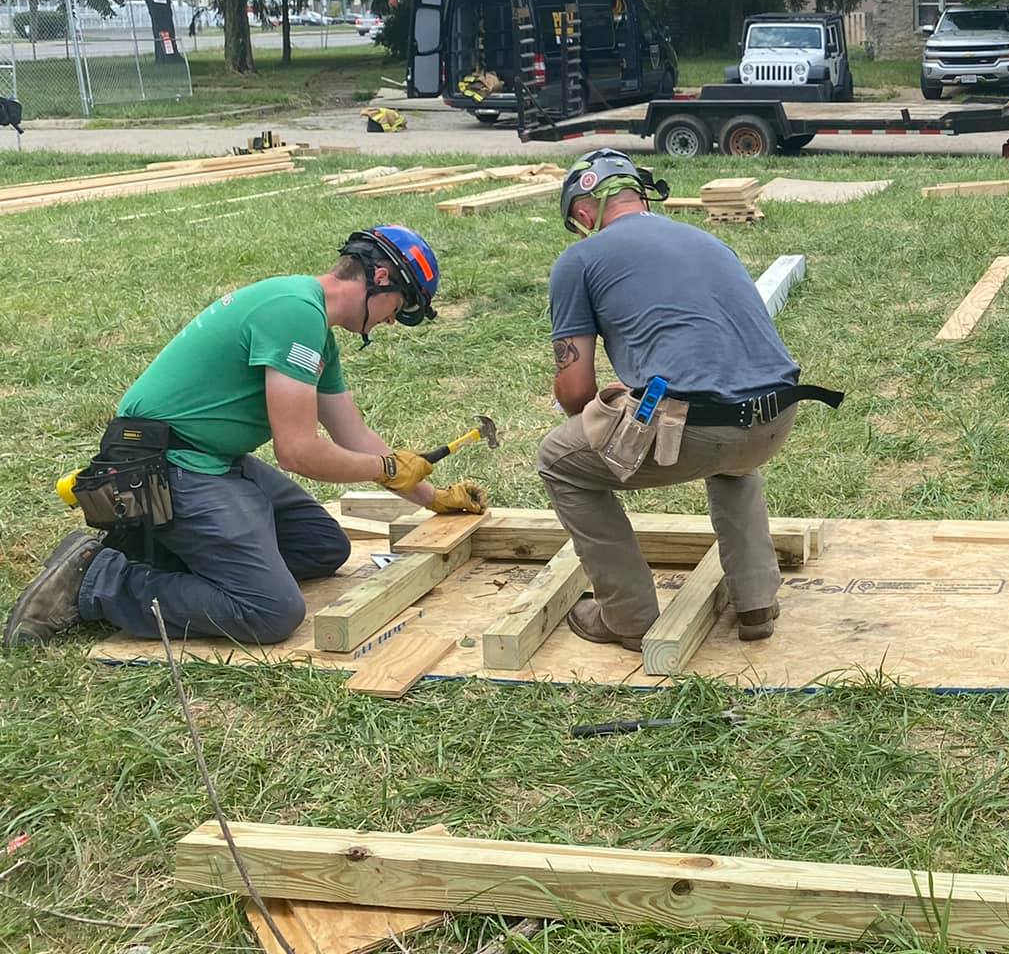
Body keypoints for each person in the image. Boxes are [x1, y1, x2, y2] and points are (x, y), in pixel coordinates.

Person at [4, 226, 477, 648]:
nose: (394, 320)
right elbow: (298, 452)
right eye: (402, 306)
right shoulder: (294, 312)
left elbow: (351, 433)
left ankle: (156, 551)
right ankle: (98, 579)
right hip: (167, 463)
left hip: (208, 458)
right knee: (270, 610)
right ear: (381, 278)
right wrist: (386, 467)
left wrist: (432, 497)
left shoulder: (311, 324)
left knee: (321, 547)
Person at [539, 151, 840, 650]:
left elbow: (575, 391)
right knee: (733, 461)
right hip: (775, 418)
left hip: (695, 428)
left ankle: (627, 616)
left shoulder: (579, 260)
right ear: (640, 196)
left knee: (558, 461)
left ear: (585, 211)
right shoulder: (708, 241)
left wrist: (602, 420)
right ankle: (757, 602)